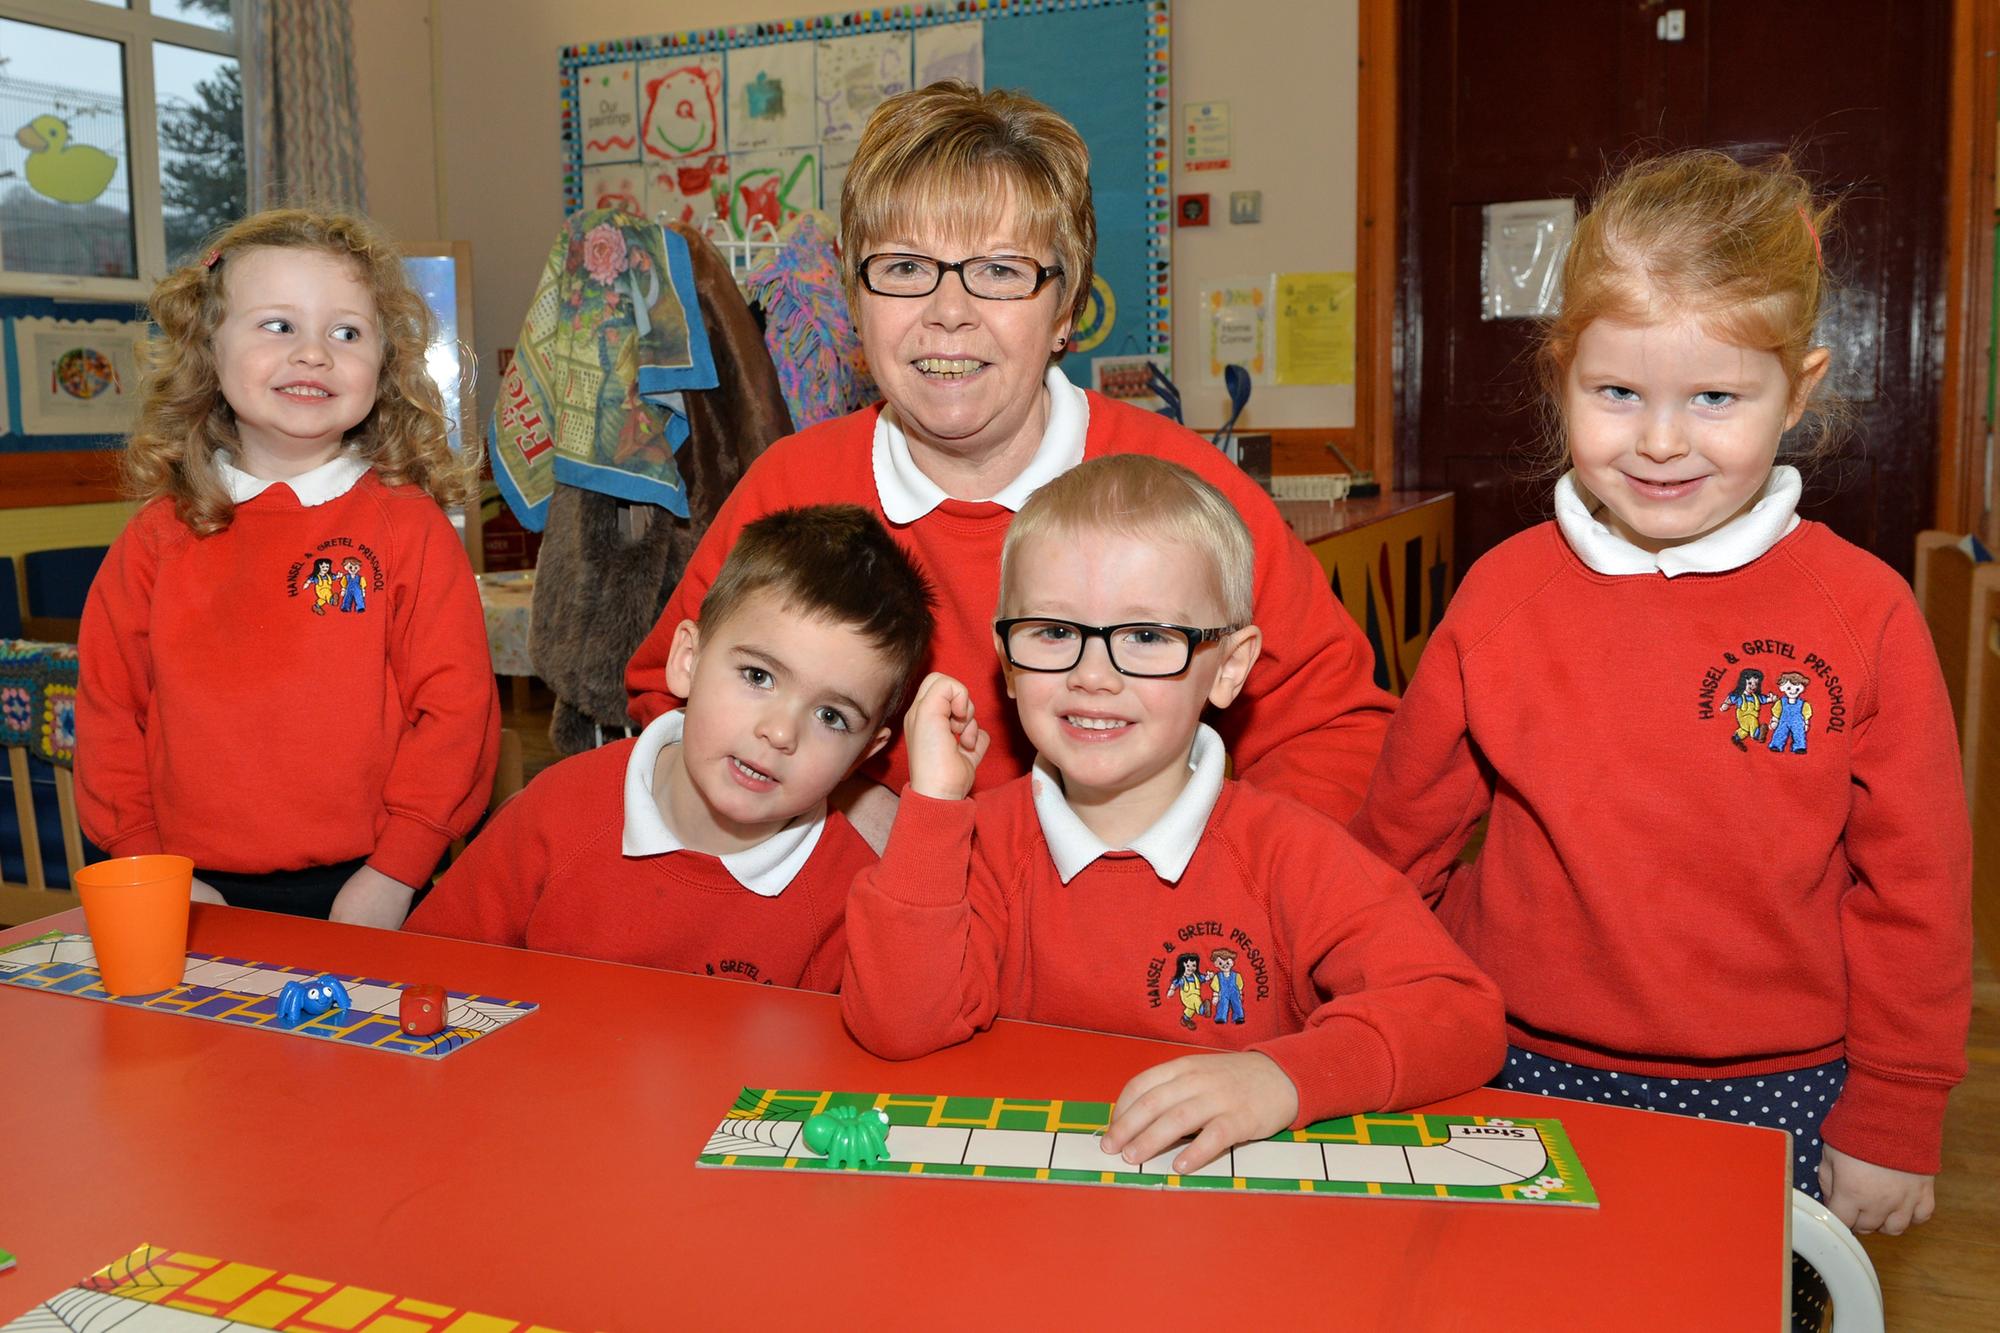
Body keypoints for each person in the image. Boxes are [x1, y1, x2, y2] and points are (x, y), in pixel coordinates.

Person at [1349, 151, 1972, 1236]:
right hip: (1511, 1060)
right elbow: (1399, 836)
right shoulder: (1500, 595)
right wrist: (1361, 1009)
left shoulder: (1864, 613)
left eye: (1715, 397)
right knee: (1515, 1303)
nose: (1660, 441)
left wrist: (1894, 1113)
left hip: (1777, 1087)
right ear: (1561, 377)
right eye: (1617, 393)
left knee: (1738, 1303)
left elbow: (1916, 891)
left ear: (1799, 391)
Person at [624, 82, 1394, 850]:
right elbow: (674, 698)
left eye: (999, 270)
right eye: (904, 267)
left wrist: (1205, 875)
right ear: (856, 302)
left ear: (1065, 309)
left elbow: (1341, 734)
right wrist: (851, 809)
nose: (948, 311)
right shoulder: (793, 485)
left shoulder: (1183, 491)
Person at [841, 457, 1504, 1173]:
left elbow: (1456, 1011)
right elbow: (898, 1025)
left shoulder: (1292, 854)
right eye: (1054, 631)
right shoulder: (973, 845)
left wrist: (1285, 1077)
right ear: (1006, 660)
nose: (1093, 675)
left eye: (1148, 637)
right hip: (1026, 1200)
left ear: (1229, 666)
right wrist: (934, 807)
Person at [77, 209, 499, 927]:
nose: (313, 354)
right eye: (278, 325)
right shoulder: (155, 537)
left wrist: (396, 871)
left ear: (385, 364)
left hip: (369, 886)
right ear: (208, 348)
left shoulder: (409, 528)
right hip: (183, 884)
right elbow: (108, 714)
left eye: (347, 332)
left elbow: (458, 713)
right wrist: (145, 861)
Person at [407, 506, 934, 990]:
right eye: (758, 675)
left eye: (831, 716)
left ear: (864, 755)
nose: (780, 733)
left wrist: (939, 813)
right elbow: (420, 974)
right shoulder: (554, 812)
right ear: (687, 661)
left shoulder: (856, 893)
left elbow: (901, 1036)